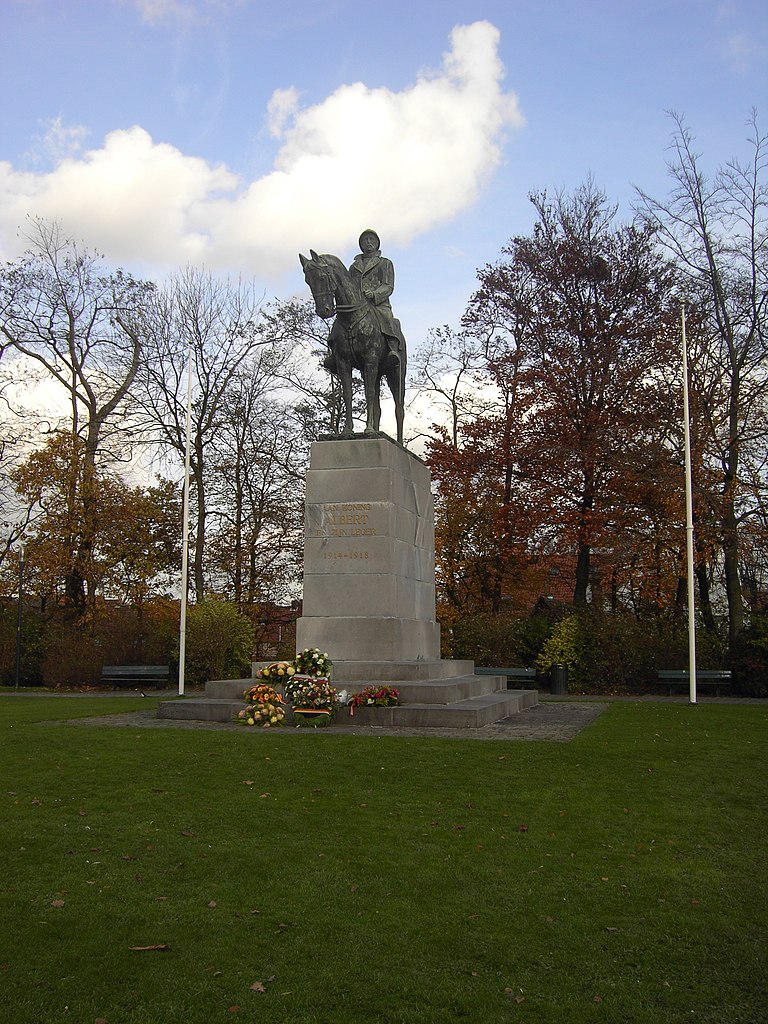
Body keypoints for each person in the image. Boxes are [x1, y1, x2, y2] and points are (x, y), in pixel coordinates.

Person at [349, 229, 405, 364]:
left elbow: (388, 286)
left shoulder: (385, 263)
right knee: (341, 321)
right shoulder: (353, 267)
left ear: (377, 243)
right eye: (365, 239)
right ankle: (333, 353)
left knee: (387, 318)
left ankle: (392, 349)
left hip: (379, 304)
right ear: (361, 244)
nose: (368, 242)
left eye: (371, 239)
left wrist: (374, 294)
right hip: (358, 306)